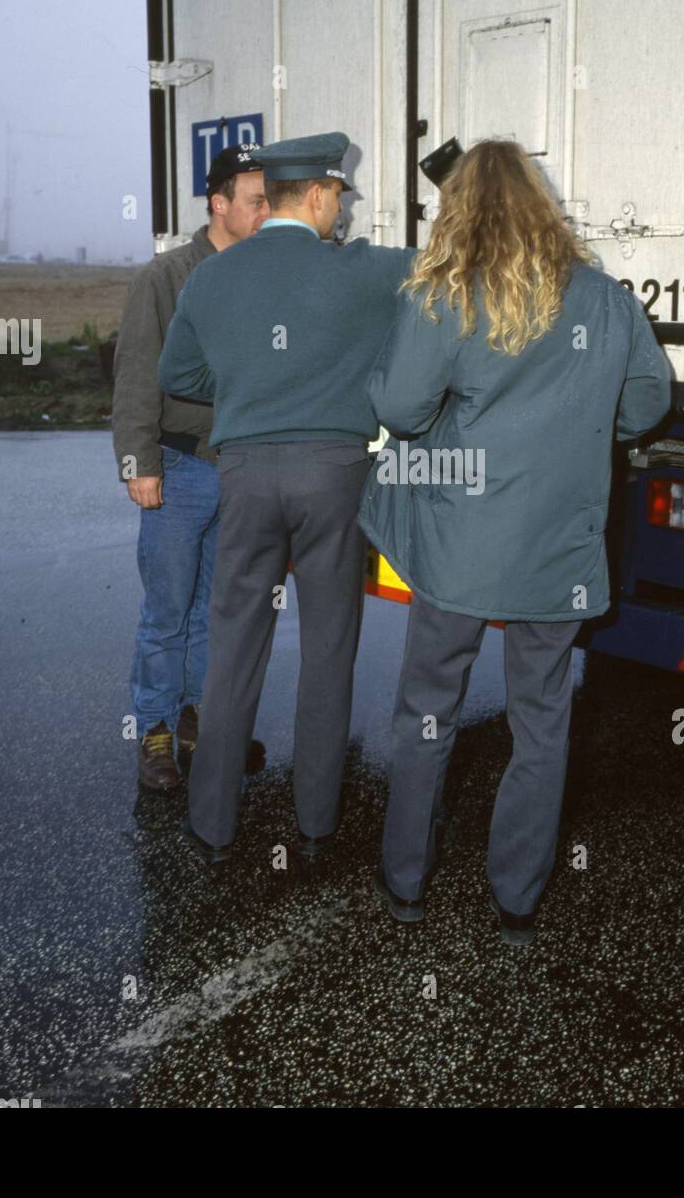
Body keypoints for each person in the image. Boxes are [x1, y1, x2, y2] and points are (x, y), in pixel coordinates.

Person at [360, 139, 672, 945]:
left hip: (463, 548)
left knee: (428, 709)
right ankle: (517, 901)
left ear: (459, 208)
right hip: (557, 555)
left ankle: (405, 884)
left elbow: (399, 408)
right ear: (540, 204)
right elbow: (644, 406)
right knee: (543, 721)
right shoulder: (604, 300)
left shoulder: (444, 296)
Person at [157, 131, 416, 869]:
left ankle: (211, 824)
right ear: (317, 194)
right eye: (340, 196)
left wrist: (247, 390)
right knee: (329, 648)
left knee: (234, 647)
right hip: (333, 475)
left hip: (245, 474)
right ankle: (315, 822)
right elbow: (445, 280)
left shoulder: (212, 277)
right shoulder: (365, 272)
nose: (343, 210)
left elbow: (180, 374)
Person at [112, 143, 270, 790]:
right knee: (167, 610)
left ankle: (201, 719)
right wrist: (138, 462)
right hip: (178, 469)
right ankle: (153, 731)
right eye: (256, 200)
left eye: (269, 200)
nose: (265, 211)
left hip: (240, 467)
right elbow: (135, 376)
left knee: (215, 609)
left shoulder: (264, 276)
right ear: (220, 202)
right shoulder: (166, 275)